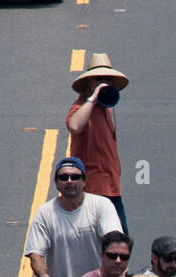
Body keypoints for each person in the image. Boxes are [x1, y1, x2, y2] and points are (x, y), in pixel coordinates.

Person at [66, 53, 129, 231]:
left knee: (119, 243)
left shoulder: (106, 107)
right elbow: (74, 125)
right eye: (98, 79)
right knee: (101, 243)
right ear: (89, 83)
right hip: (94, 190)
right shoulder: (82, 105)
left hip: (112, 187)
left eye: (108, 79)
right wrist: (92, 98)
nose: (104, 83)